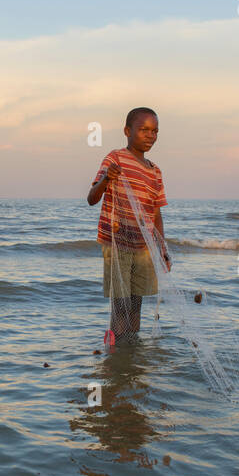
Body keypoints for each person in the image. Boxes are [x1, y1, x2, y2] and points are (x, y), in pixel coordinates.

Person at [86, 107, 170, 342]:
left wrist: (162, 249)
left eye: (155, 131)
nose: (150, 136)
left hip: (143, 248)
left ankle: (130, 350)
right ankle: (116, 353)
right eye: (144, 130)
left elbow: (155, 213)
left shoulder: (155, 172)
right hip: (118, 243)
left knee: (135, 304)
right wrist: (106, 179)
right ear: (127, 131)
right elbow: (92, 198)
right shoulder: (115, 159)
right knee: (120, 304)